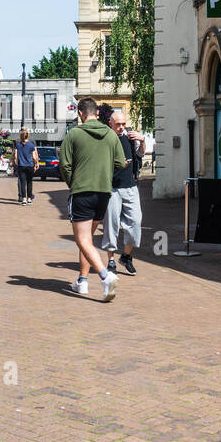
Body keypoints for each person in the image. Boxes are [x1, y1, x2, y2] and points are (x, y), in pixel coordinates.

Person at [59, 97, 127, 301]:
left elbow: (65, 165)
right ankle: (83, 281)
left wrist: (74, 182)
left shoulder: (74, 134)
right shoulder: (110, 134)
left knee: (81, 239)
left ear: (80, 113)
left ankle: (106, 276)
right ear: (97, 113)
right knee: (88, 238)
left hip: (82, 191)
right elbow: (120, 162)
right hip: (104, 193)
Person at [99, 106, 145, 275]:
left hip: (131, 187)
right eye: (118, 124)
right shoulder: (105, 140)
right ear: (110, 123)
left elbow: (140, 155)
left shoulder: (130, 137)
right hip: (111, 188)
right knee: (111, 225)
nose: (121, 127)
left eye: (123, 124)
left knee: (135, 223)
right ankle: (111, 260)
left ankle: (126, 256)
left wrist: (143, 140)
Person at [15, 129, 39, 204]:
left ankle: (24, 199)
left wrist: (16, 163)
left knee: (22, 183)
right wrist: (36, 164)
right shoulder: (31, 145)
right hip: (29, 166)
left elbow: (15, 156)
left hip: (21, 166)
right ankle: (29, 199)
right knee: (29, 182)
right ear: (28, 136)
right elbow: (34, 157)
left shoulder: (18, 145)